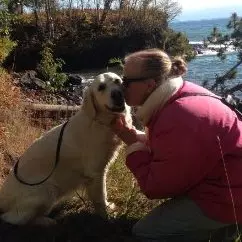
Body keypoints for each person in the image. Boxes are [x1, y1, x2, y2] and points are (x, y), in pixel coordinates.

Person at [111, 48, 242, 242]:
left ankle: (225, 227)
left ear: (150, 84)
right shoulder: (181, 94)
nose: (121, 87)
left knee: (145, 232)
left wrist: (132, 145)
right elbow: (174, 149)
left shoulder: (180, 116)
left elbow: (155, 187)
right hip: (228, 184)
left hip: (228, 197)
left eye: (127, 81)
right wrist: (136, 136)